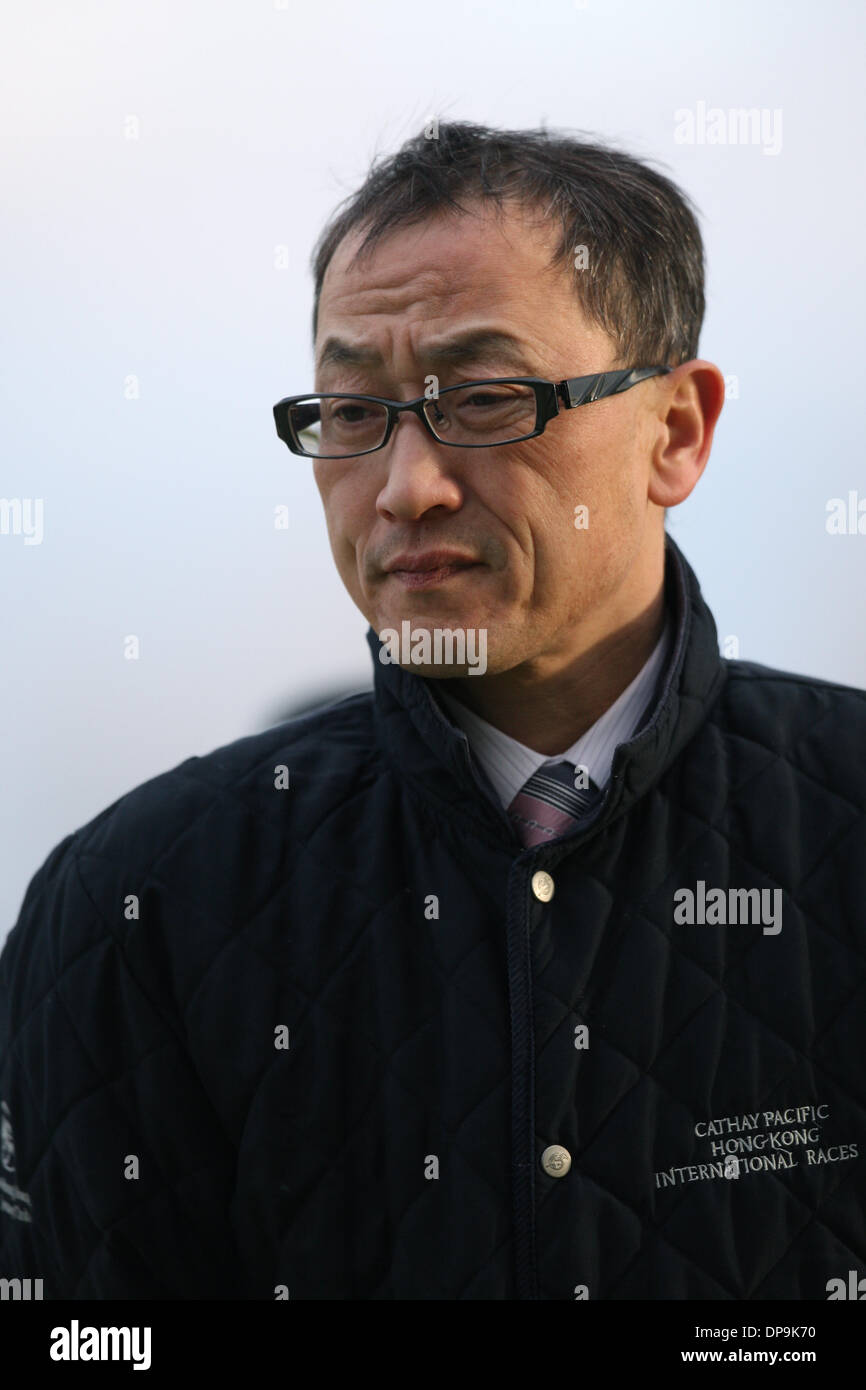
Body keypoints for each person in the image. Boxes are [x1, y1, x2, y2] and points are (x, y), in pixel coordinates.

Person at [1, 121, 863, 1301]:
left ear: (675, 430)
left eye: (487, 398)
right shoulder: (134, 906)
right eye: (352, 413)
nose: (407, 486)